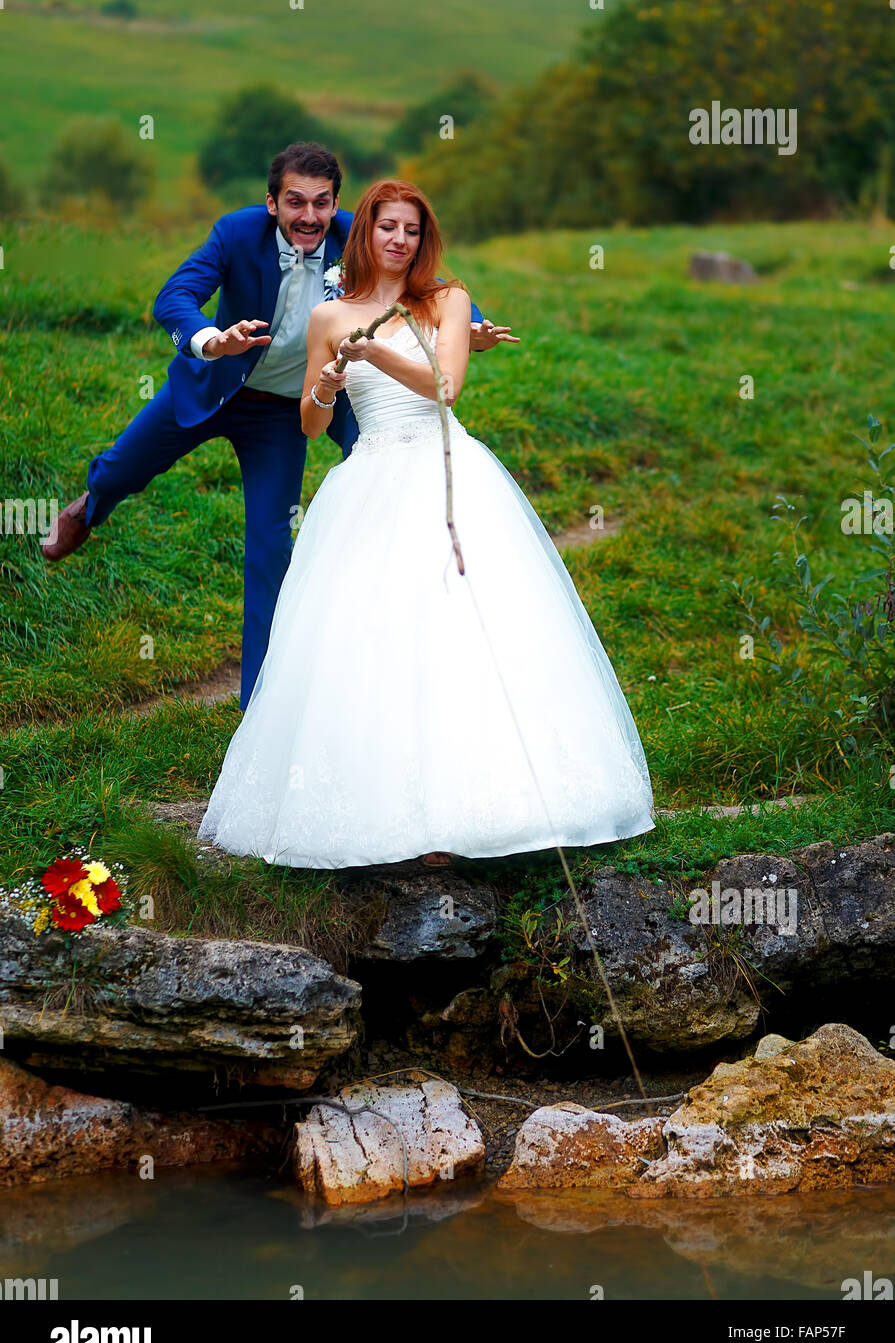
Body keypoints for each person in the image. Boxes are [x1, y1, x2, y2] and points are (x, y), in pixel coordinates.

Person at [197, 179, 655, 871]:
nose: (398, 240)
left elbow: (445, 389)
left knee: (464, 622)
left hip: (446, 469)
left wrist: (376, 352)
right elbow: (311, 422)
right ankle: (382, 808)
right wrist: (324, 385)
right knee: (368, 631)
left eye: (411, 229)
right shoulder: (329, 315)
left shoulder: (446, 300)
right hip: (369, 471)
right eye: (387, 227)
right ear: (366, 234)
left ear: (422, 238)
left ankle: (499, 803)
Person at [41, 143, 515, 709]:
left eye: (322, 203)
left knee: (271, 545)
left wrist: (475, 326)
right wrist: (211, 341)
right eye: (295, 202)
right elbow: (175, 296)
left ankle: (258, 707)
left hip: (289, 412)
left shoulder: (360, 235)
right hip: (215, 386)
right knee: (122, 467)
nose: (309, 216)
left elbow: (423, 279)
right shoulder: (235, 233)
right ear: (272, 203)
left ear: (338, 205)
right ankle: (89, 507)